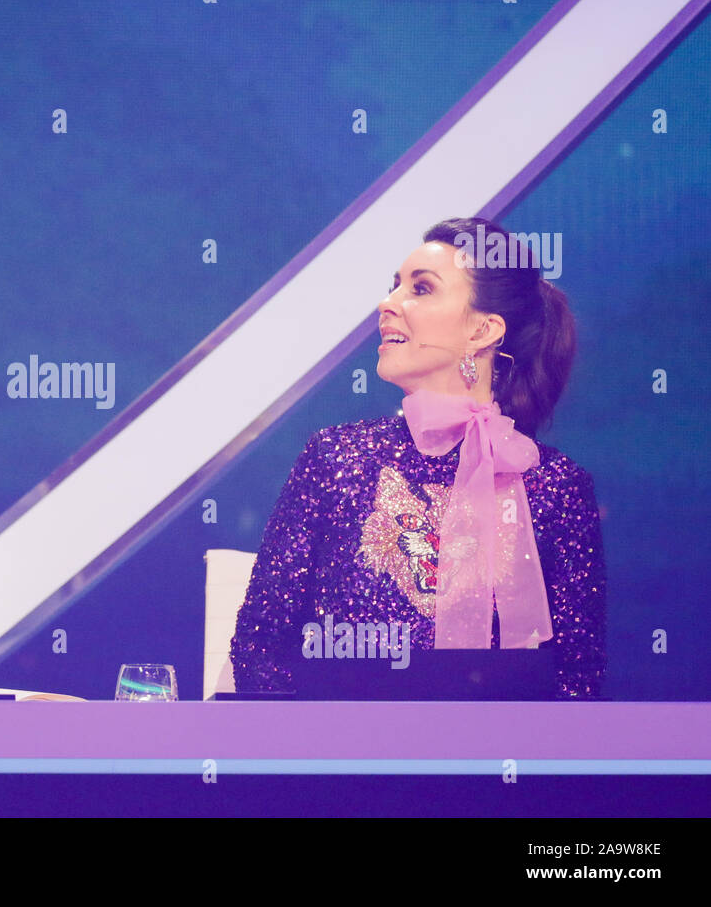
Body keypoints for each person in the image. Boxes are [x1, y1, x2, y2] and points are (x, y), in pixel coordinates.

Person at [230, 217, 605, 699]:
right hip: (342, 762)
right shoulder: (336, 458)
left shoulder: (554, 485)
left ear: (482, 330)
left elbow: (577, 678)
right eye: (393, 287)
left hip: (496, 767)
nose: (388, 304)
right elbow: (261, 645)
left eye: (421, 289)